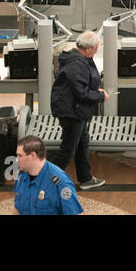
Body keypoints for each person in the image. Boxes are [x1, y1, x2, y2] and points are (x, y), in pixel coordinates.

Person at [50, 30, 109, 192]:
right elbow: (81, 92)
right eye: (96, 49)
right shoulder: (77, 64)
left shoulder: (79, 59)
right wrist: (100, 96)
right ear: (88, 49)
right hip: (72, 112)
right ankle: (44, 180)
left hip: (76, 110)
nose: (96, 52)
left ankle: (86, 178)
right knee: (67, 150)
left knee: (83, 143)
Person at [13, 135, 83, 215]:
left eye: (20, 155)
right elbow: (17, 207)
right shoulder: (20, 176)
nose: (17, 159)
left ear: (33, 155)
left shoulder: (61, 183)